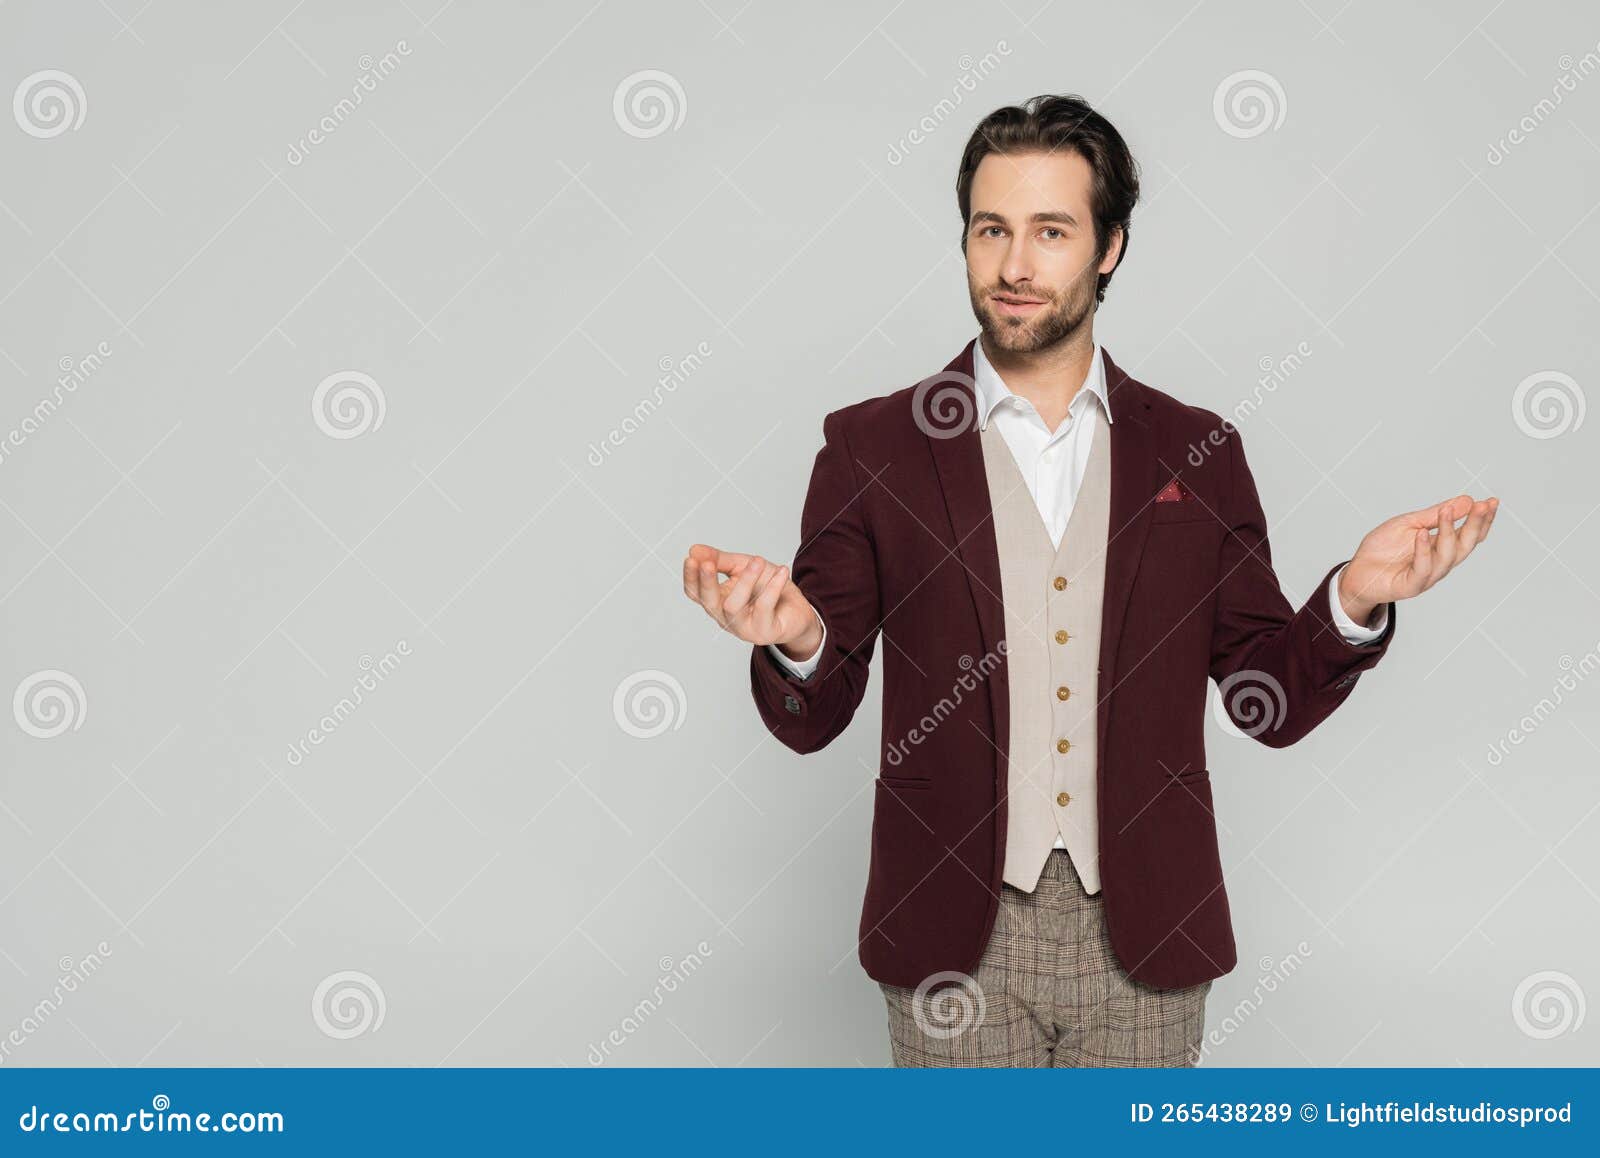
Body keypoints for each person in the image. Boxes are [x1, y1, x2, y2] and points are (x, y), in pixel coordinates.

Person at [682, 94, 1496, 1067]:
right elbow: (815, 708)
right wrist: (795, 637)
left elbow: (1264, 699)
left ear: (1108, 248)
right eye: (991, 230)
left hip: (1148, 934)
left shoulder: (1196, 450)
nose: (1014, 266)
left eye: (1050, 231)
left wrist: (1354, 600)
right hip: (952, 935)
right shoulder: (874, 449)